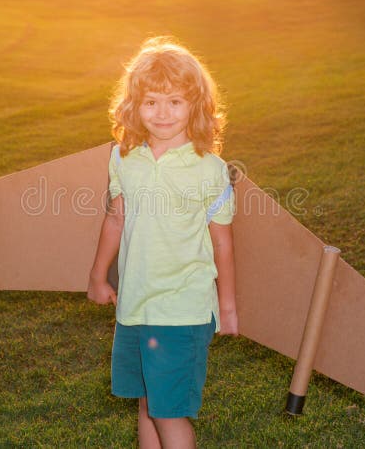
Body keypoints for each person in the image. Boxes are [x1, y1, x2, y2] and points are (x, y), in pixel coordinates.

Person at [87, 36, 237, 449]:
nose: (163, 113)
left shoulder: (210, 169)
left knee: (168, 413)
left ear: (196, 105)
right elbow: (115, 218)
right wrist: (98, 277)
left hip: (183, 309)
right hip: (135, 305)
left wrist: (227, 307)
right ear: (134, 106)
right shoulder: (124, 157)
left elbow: (222, 243)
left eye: (175, 101)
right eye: (151, 102)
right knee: (147, 403)